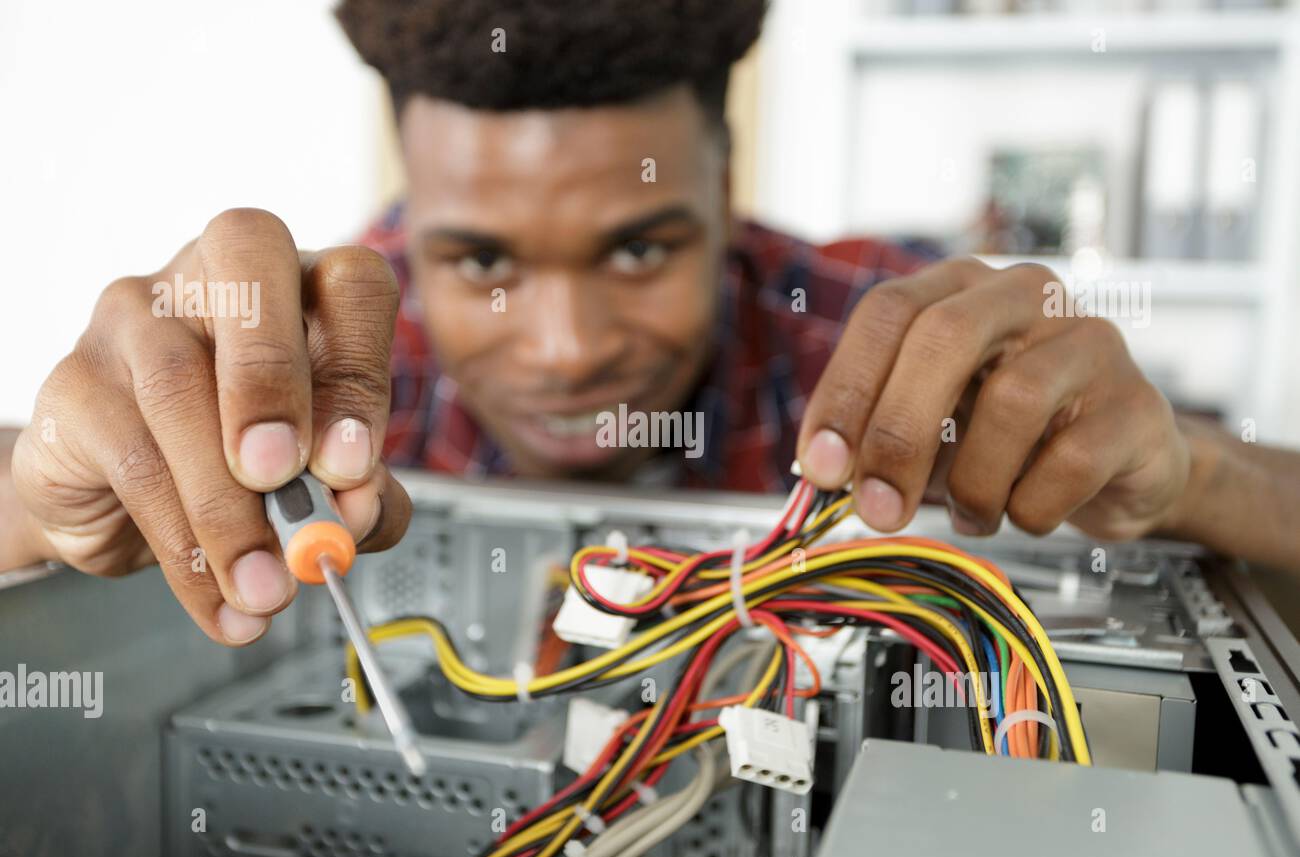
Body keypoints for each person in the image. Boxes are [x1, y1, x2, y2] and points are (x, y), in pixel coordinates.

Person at [1, 0, 1297, 649]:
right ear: (411, 218)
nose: (563, 348)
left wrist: (1197, 471)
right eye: (481, 258)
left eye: (638, 244)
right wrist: (39, 495)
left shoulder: (870, 341)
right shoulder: (318, 369)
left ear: (733, 191)